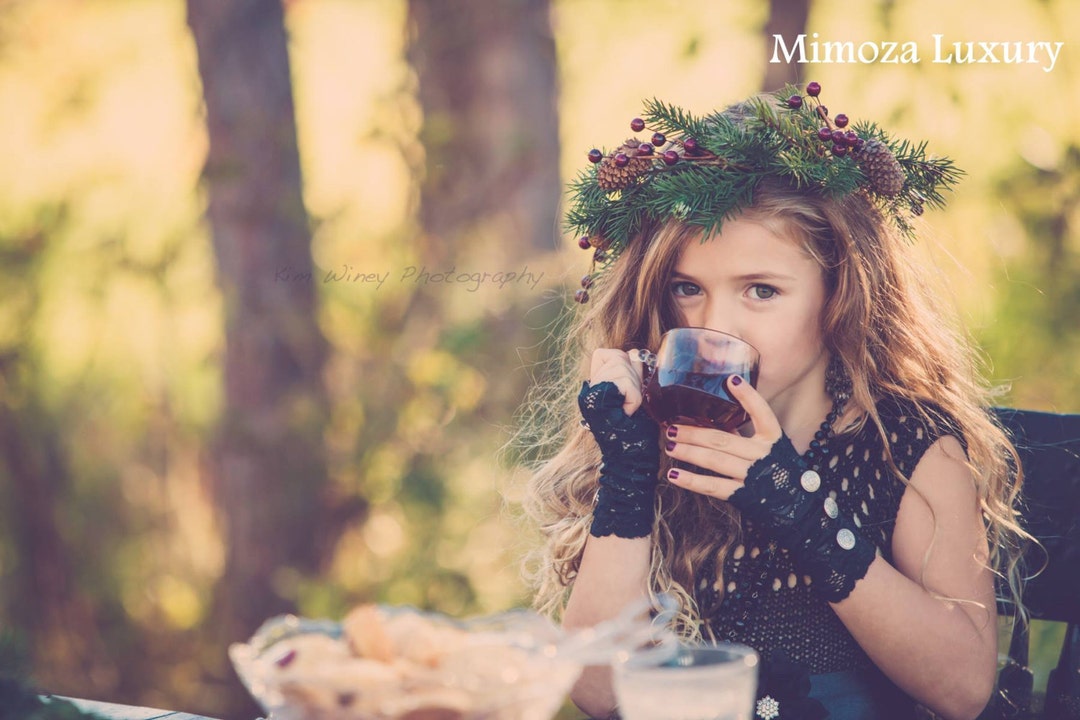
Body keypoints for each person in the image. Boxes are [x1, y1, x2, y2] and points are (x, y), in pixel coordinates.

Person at [520, 83, 1029, 720]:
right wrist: (627, 478)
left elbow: (963, 687)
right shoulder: (654, 436)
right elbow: (601, 693)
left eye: (761, 291)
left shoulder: (906, 447)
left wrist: (801, 510)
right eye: (687, 288)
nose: (717, 324)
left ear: (840, 294)